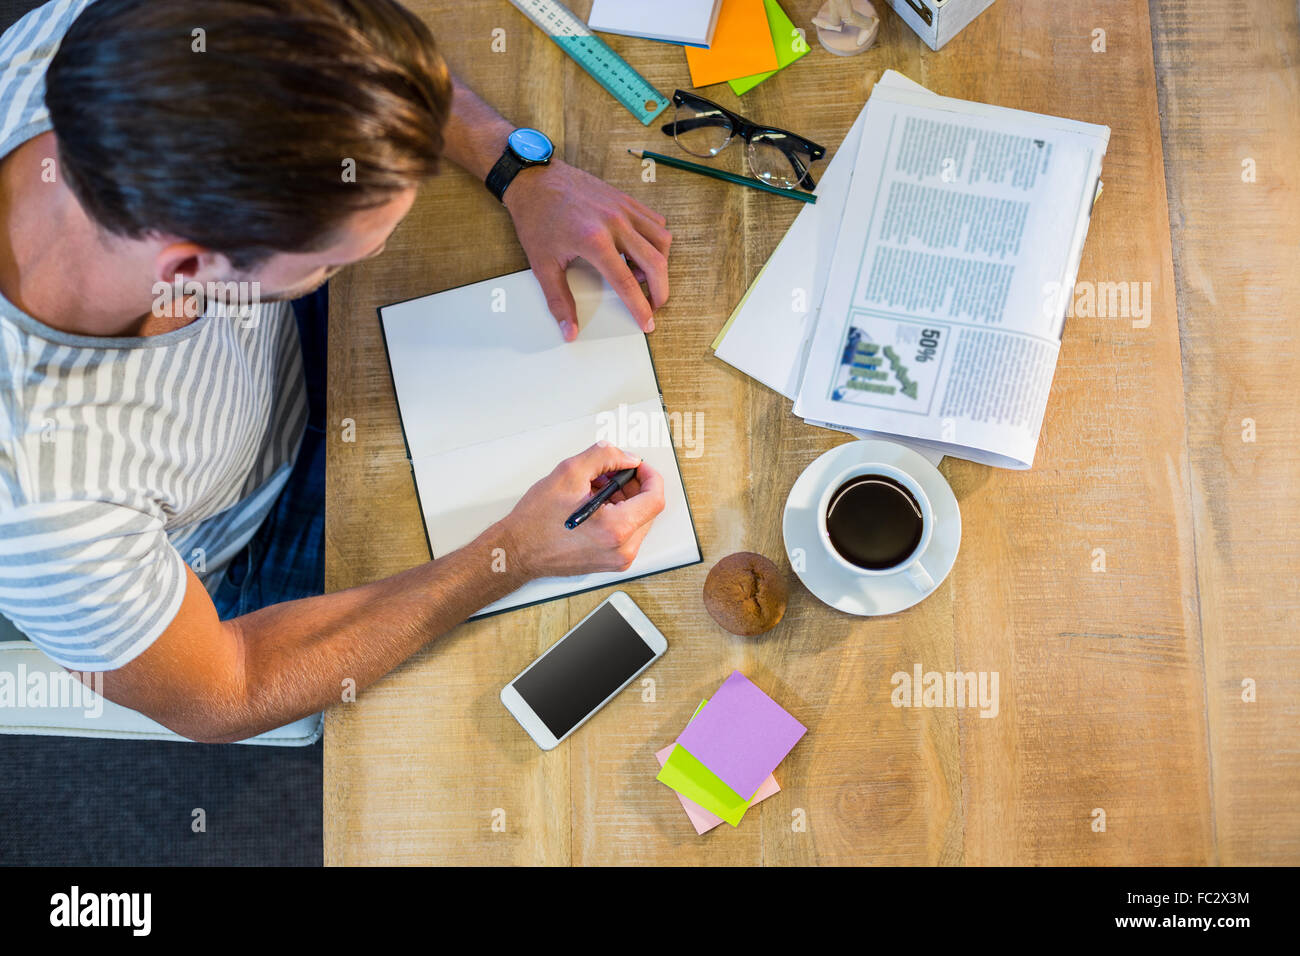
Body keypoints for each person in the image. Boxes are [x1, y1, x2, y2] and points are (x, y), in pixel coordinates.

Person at [0, 0, 671, 742]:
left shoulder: (115, 29)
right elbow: (227, 690)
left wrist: (513, 168)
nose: (369, 257)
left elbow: (343, 55)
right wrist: (511, 555)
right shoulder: (45, 509)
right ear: (191, 270)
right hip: (254, 545)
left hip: (275, 354)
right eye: (340, 258)